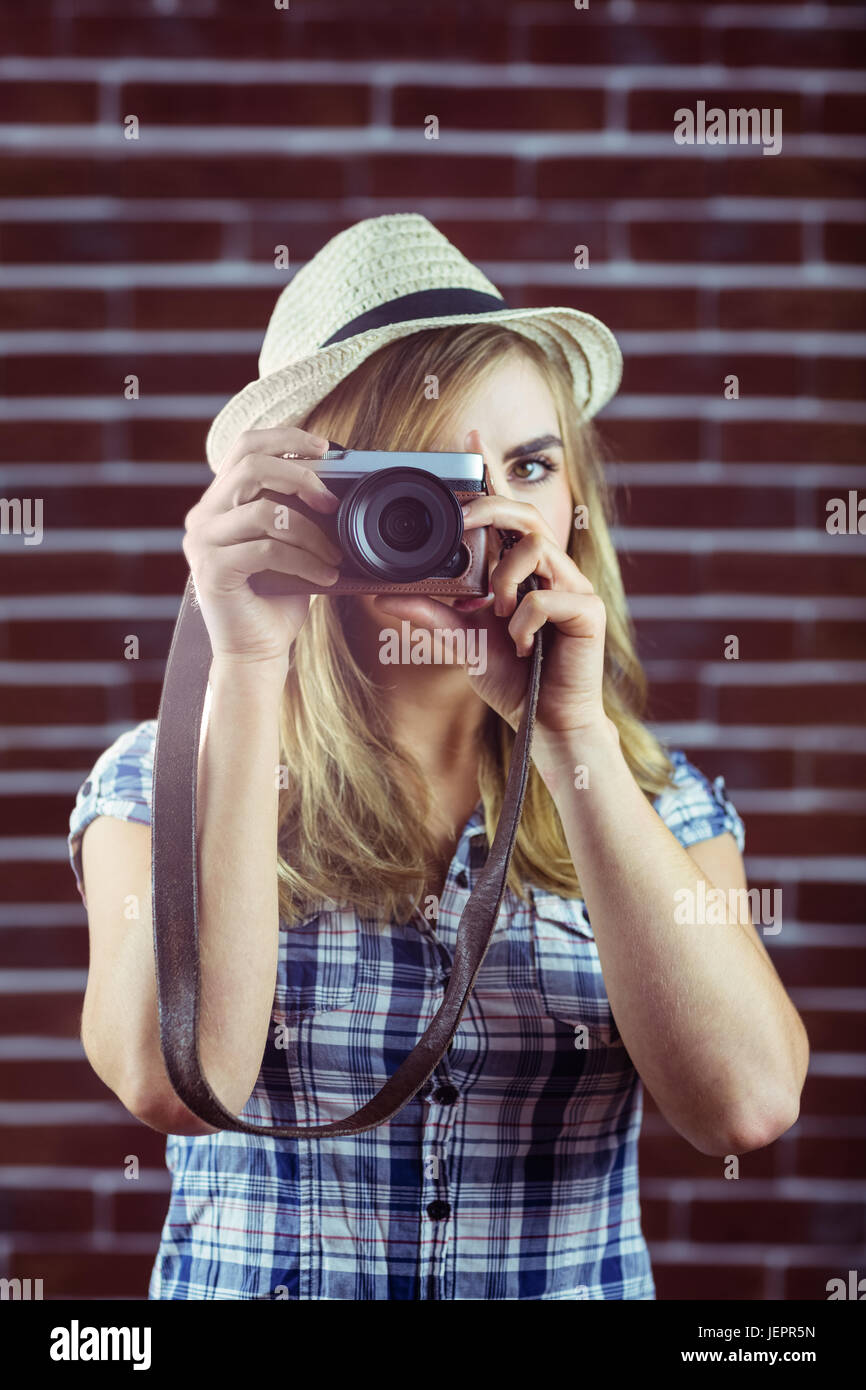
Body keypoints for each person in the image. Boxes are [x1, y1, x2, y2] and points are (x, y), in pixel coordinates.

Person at [67, 213, 809, 1301]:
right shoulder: (156, 773)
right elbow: (174, 1084)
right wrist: (245, 661)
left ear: (574, 506)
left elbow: (745, 1108)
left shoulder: (657, 800)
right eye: (418, 475)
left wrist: (571, 740)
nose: (478, 511)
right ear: (309, 499)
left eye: (525, 464)